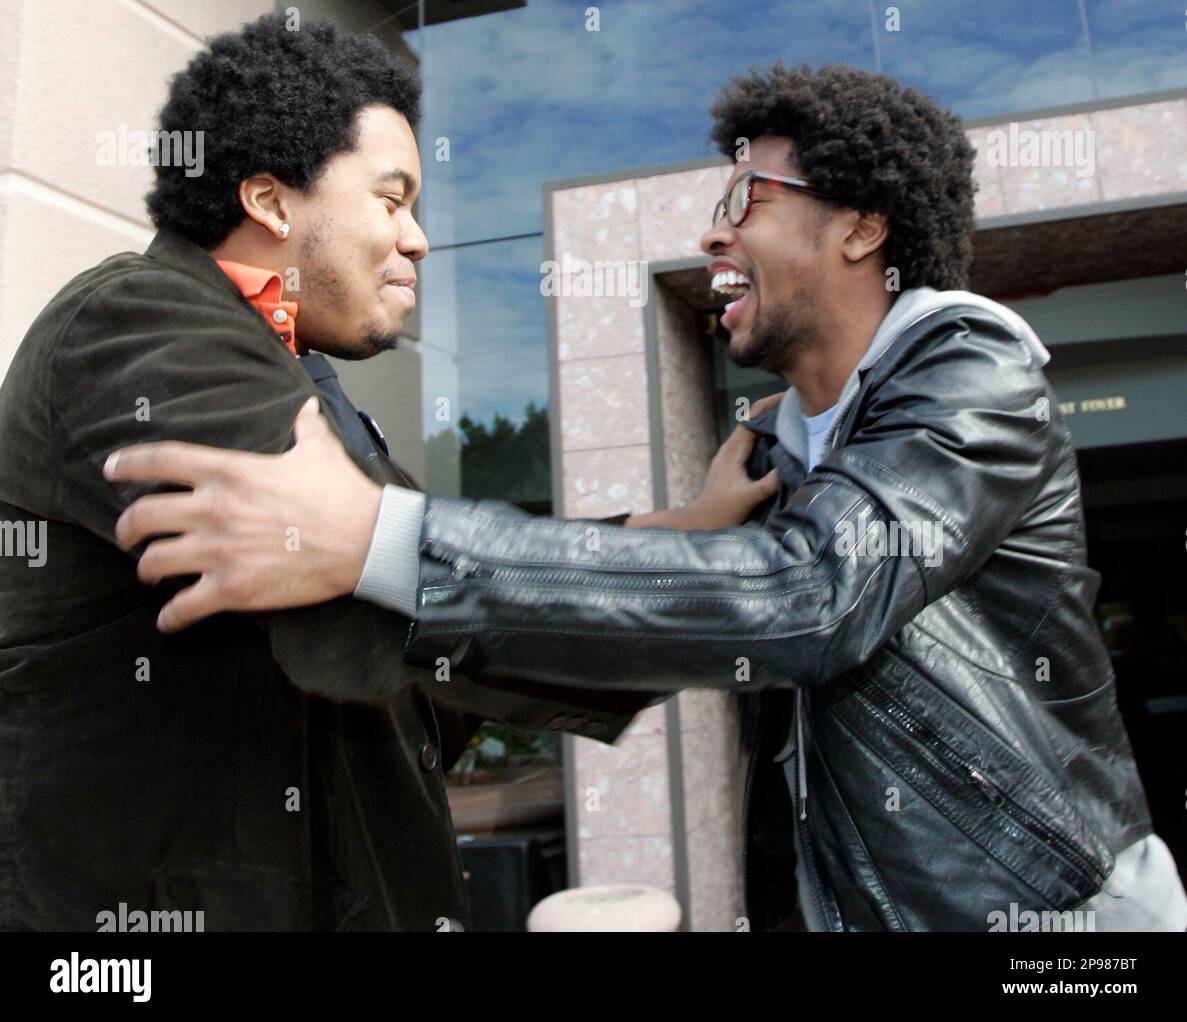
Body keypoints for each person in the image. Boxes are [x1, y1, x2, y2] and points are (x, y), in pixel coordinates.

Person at [110, 61, 1187, 932]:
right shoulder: (794, 449)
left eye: (746, 201)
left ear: (859, 228)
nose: (714, 235)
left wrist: (381, 538)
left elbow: (808, 599)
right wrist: (692, 525)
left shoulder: (973, 370)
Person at [0, 13, 773, 932]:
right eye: (391, 199)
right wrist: (710, 586)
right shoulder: (136, 324)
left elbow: (422, 623)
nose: (418, 241)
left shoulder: (299, 377)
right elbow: (363, 593)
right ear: (272, 202)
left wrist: (687, 529)